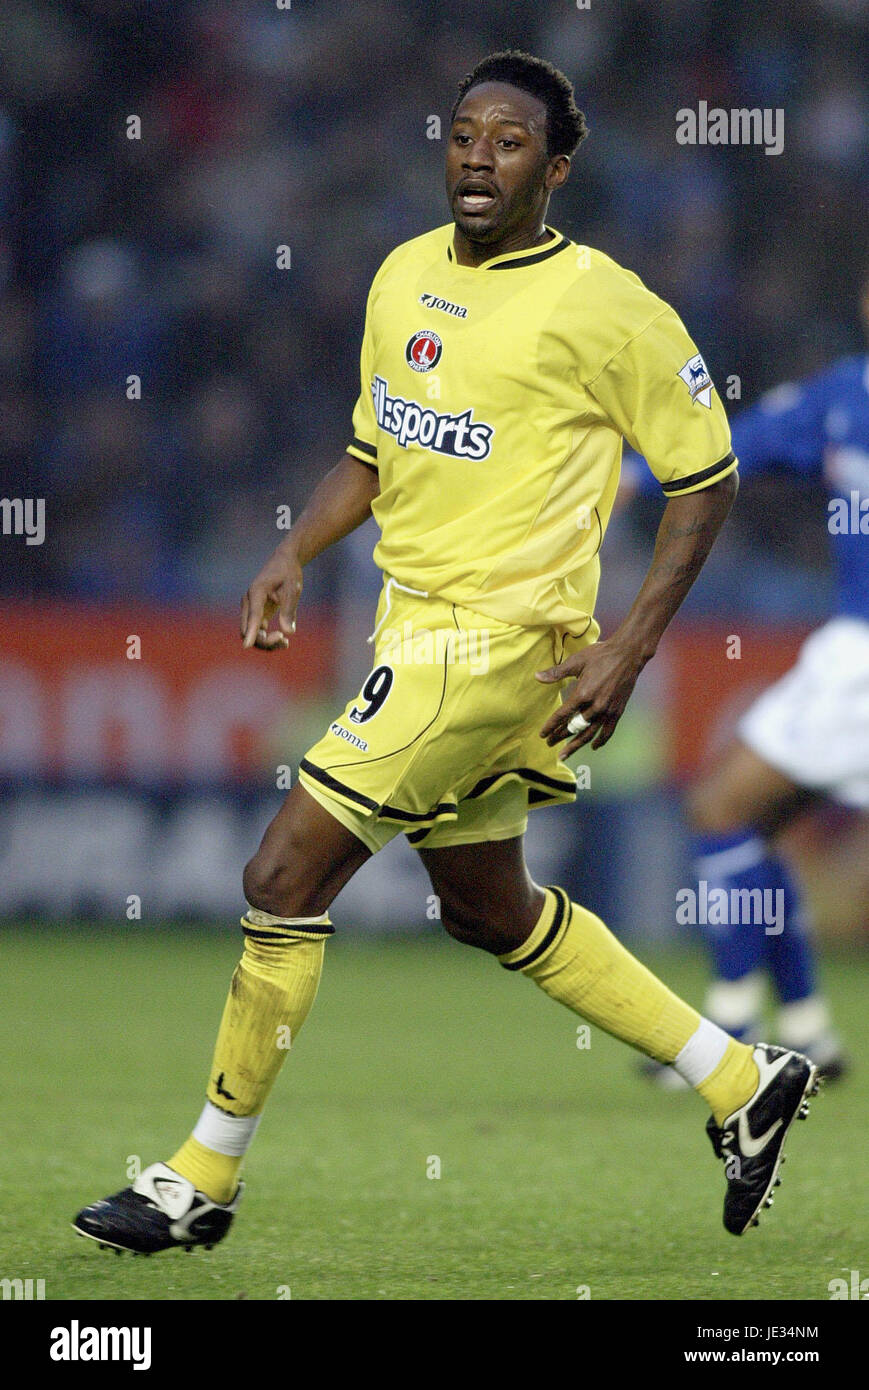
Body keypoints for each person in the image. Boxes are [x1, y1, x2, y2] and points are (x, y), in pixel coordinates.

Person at [74, 51, 820, 1255]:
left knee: (281, 877)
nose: (478, 155)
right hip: (409, 624)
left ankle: (197, 1179)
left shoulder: (606, 305)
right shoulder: (403, 273)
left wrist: (627, 649)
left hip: (493, 648)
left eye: (509, 141)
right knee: (486, 906)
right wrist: (293, 551)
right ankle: (737, 1077)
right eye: (464, 133)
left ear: (555, 169)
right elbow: (374, 448)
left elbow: (705, 477)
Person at [638, 277, 869, 1088]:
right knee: (742, 821)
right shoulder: (844, 395)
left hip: (859, 661)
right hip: (852, 659)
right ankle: (800, 1028)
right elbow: (733, 448)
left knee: (721, 810)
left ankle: (733, 1035)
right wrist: (629, 474)